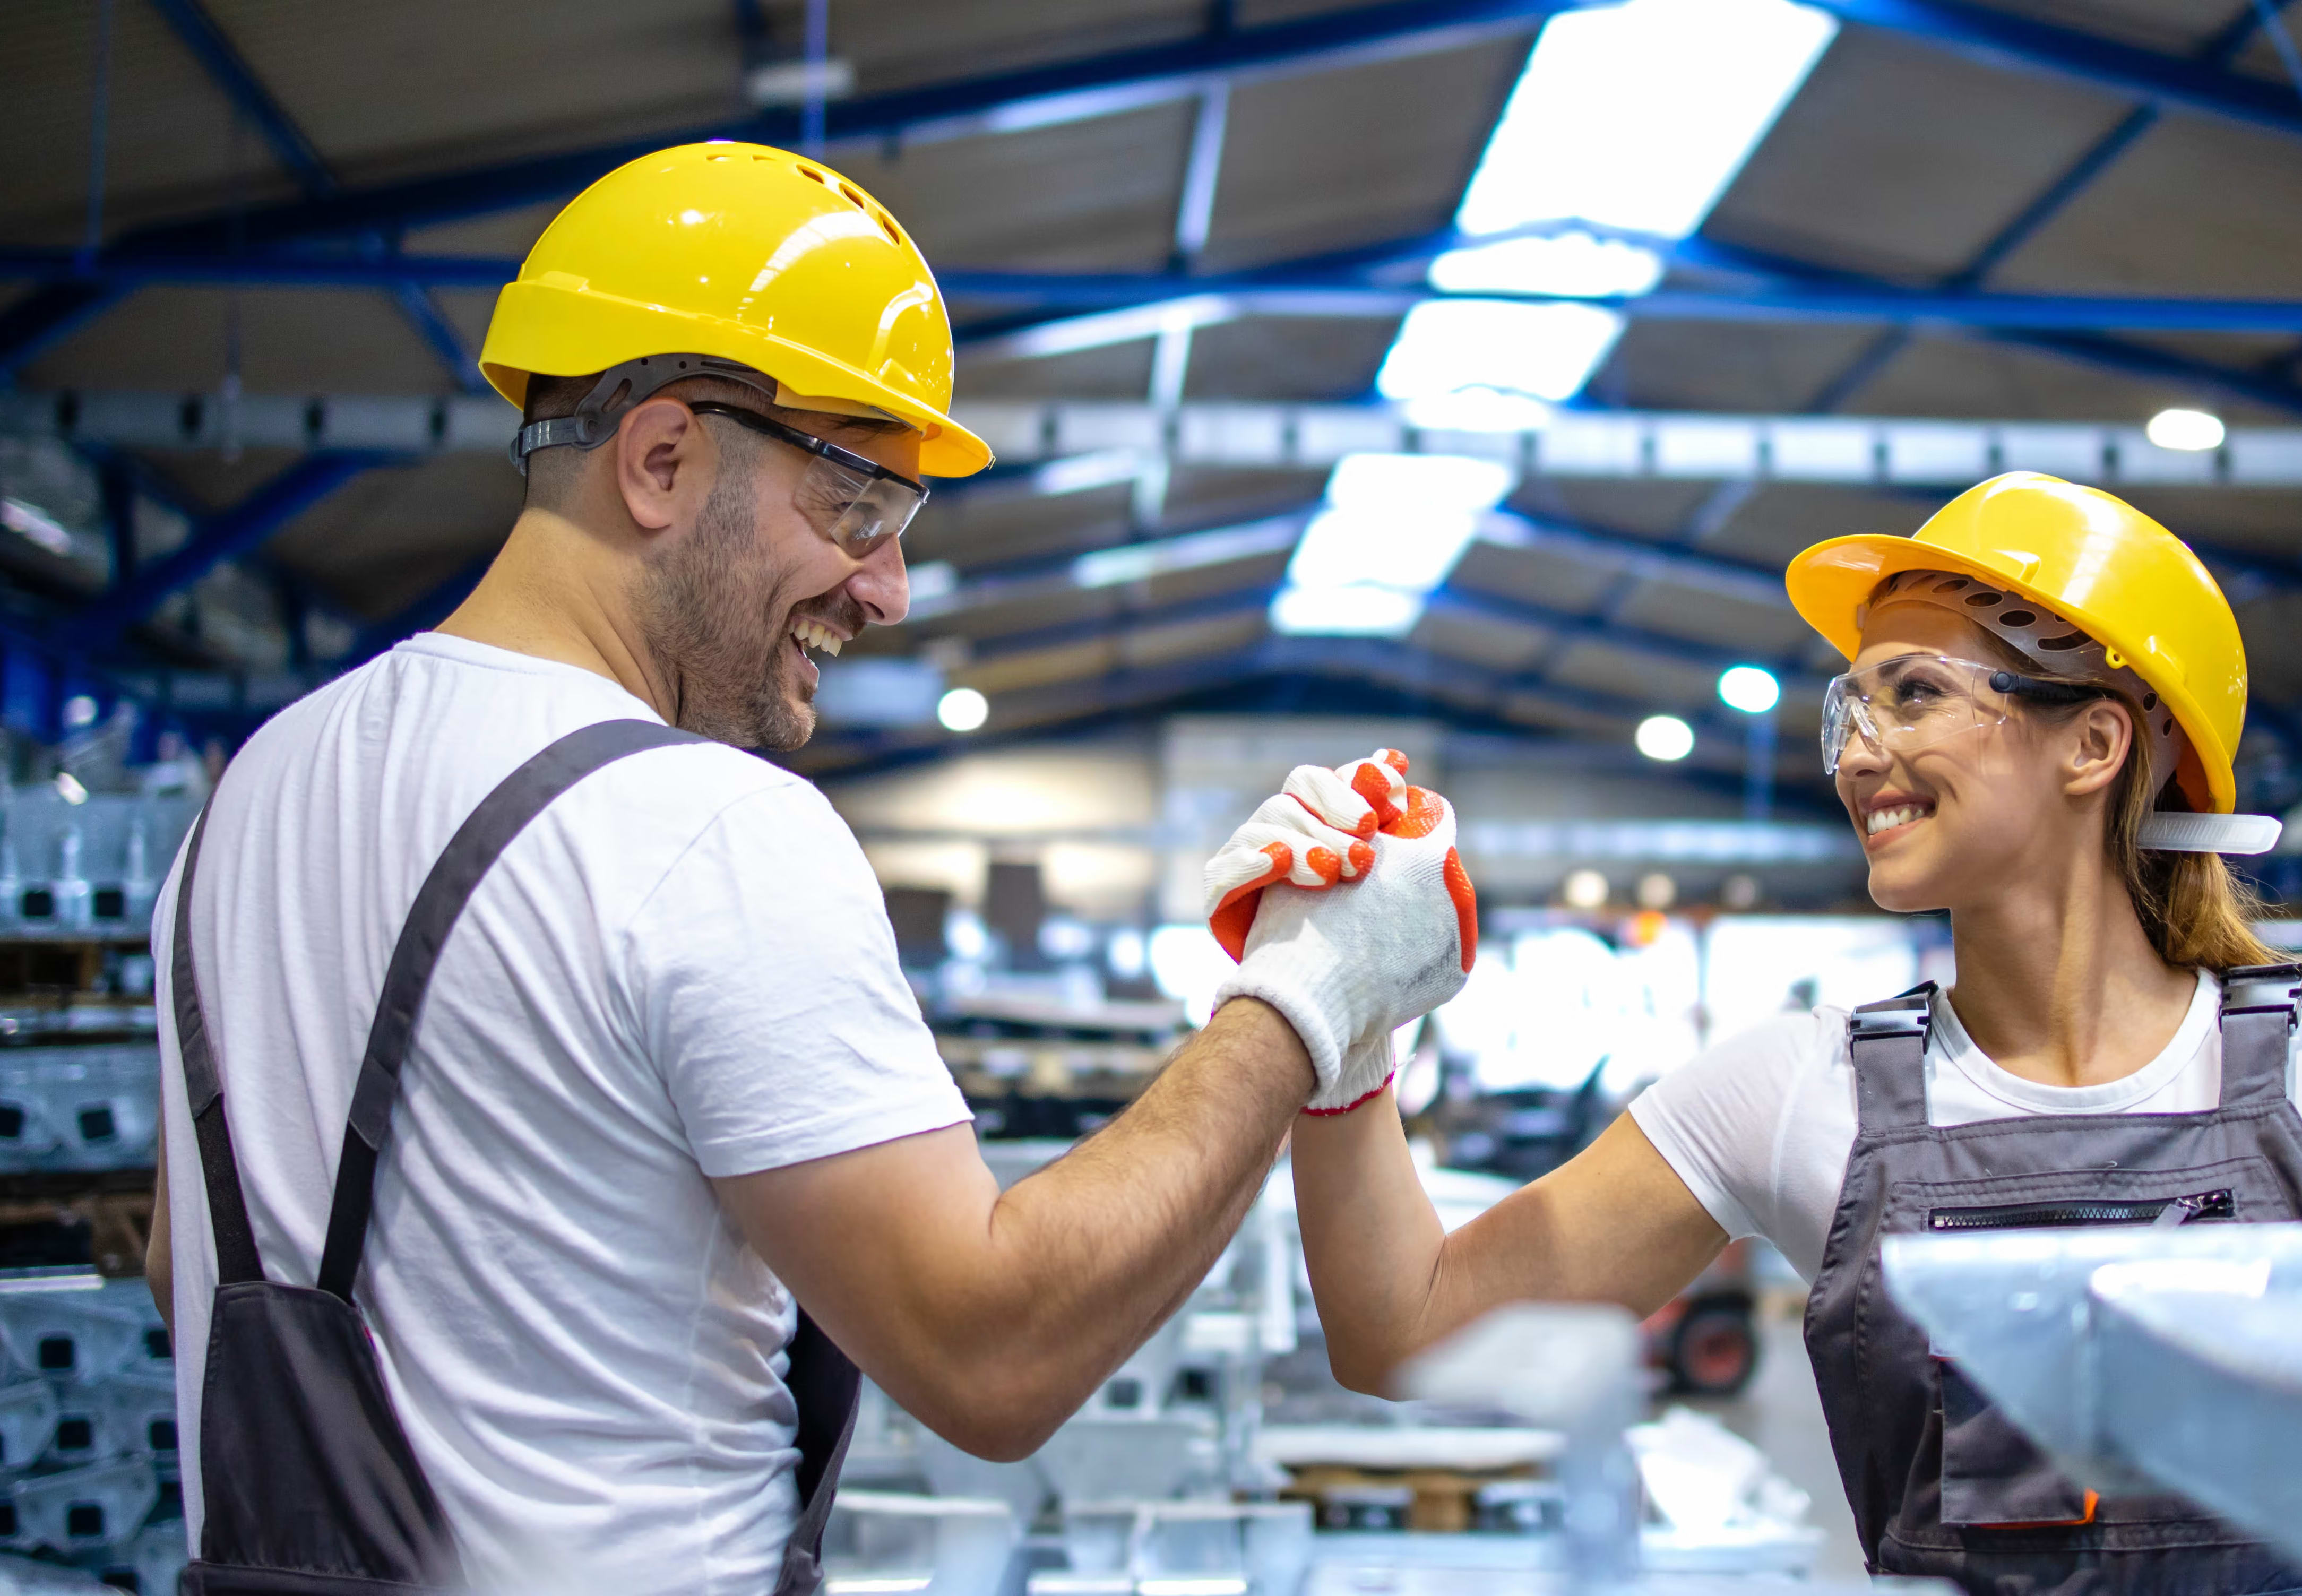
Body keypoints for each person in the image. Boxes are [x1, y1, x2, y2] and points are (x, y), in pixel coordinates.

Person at [143, 142, 1470, 1596]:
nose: (887, 589)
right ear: (661, 460)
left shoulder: (250, 800)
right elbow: (992, 1353)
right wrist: (1300, 999)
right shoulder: (697, 828)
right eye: (856, 508)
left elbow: (187, 1263)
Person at [1284, 473, 2302, 1596]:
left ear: (2093, 741)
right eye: (1849, 709)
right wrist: (1342, 1023)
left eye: (1912, 693)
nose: (1858, 753)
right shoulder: (1791, 1090)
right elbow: (1407, 1329)